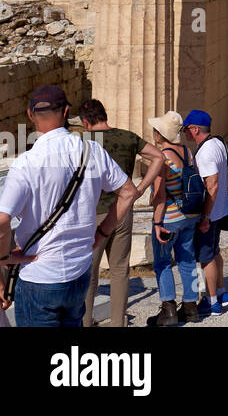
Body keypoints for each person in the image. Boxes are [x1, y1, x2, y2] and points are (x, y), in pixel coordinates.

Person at [0, 86, 163, 327]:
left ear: (30, 115)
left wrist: (4, 257)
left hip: (40, 275)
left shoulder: (26, 162)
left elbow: (3, 221)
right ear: (66, 111)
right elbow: (128, 192)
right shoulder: (92, 150)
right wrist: (102, 232)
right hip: (78, 271)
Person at [77, 98, 164, 327]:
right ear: (104, 115)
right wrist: (140, 188)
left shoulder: (82, 142)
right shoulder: (127, 137)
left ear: (86, 121)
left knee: (89, 272)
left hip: (92, 213)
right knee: (119, 270)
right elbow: (159, 157)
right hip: (123, 209)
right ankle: (118, 322)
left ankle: (85, 322)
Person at [143, 111, 204, 327]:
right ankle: (190, 307)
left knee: (162, 263)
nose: (153, 133)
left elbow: (160, 195)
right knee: (187, 260)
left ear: (160, 134)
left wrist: (157, 223)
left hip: (169, 216)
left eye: (155, 130)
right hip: (190, 214)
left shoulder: (163, 158)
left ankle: (168, 311)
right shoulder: (187, 152)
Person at [183, 110, 228, 316]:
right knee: (215, 251)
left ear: (194, 129)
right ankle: (221, 292)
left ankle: (212, 303)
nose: (184, 132)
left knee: (206, 258)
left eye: (186, 129)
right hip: (220, 209)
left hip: (210, 213)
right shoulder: (218, 143)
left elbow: (211, 185)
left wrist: (204, 216)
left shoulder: (205, 152)